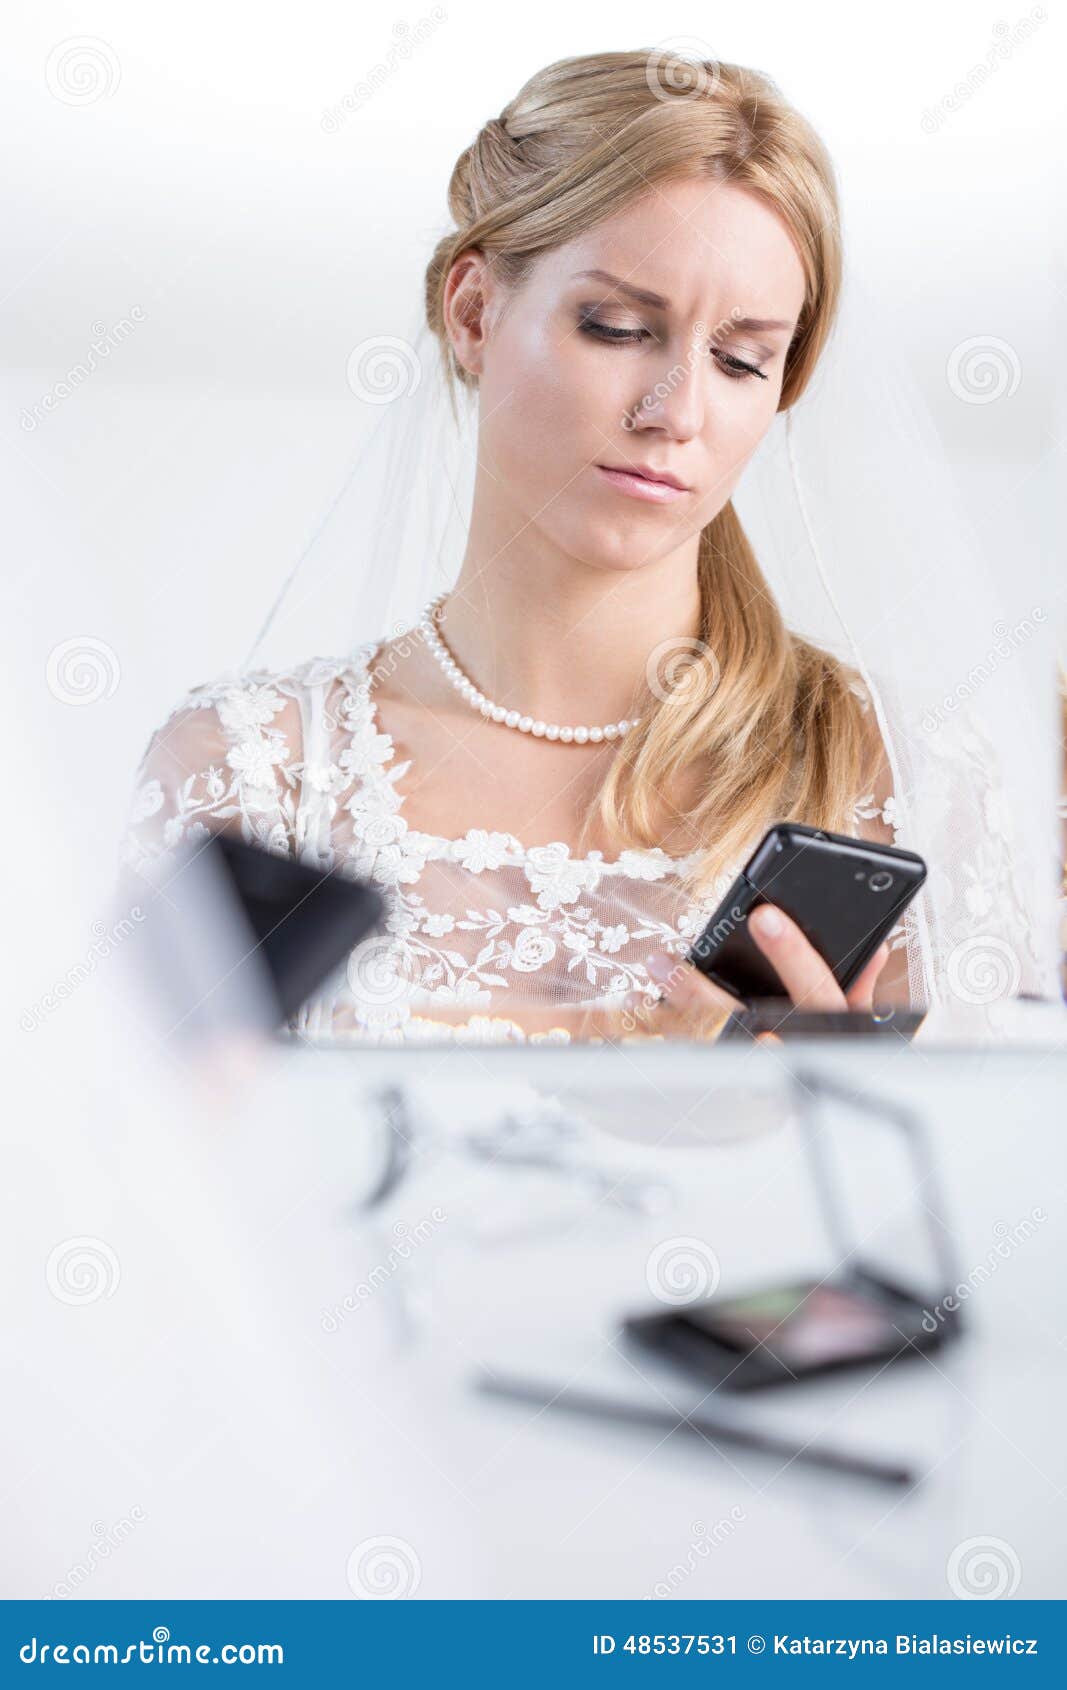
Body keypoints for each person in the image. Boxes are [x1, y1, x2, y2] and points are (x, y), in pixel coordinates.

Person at [119, 51, 1052, 1045]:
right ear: (473, 313)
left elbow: (993, 1192)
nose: (677, 411)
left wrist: (800, 1128)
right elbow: (137, 1184)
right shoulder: (250, 774)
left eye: (741, 360)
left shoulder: (900, 788)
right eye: (615, 328)